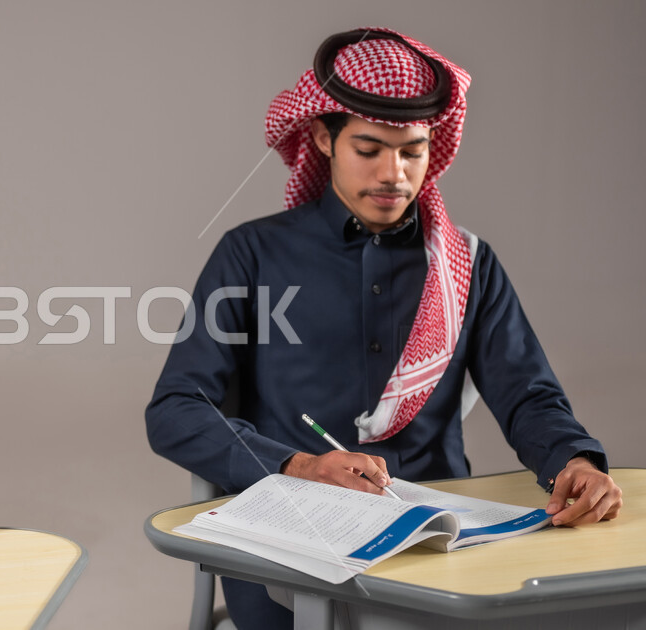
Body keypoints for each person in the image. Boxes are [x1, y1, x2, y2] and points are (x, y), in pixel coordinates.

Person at [145, 28, 622, 628]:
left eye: (412, 151)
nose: (394, 173)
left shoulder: (466, 264)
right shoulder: (252, 254)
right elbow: (176, 409)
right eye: (369, 148)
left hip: (439, 542)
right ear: (323, 137)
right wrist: (300, 465)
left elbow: (527, 393)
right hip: (289, 540)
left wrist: (572, 460)